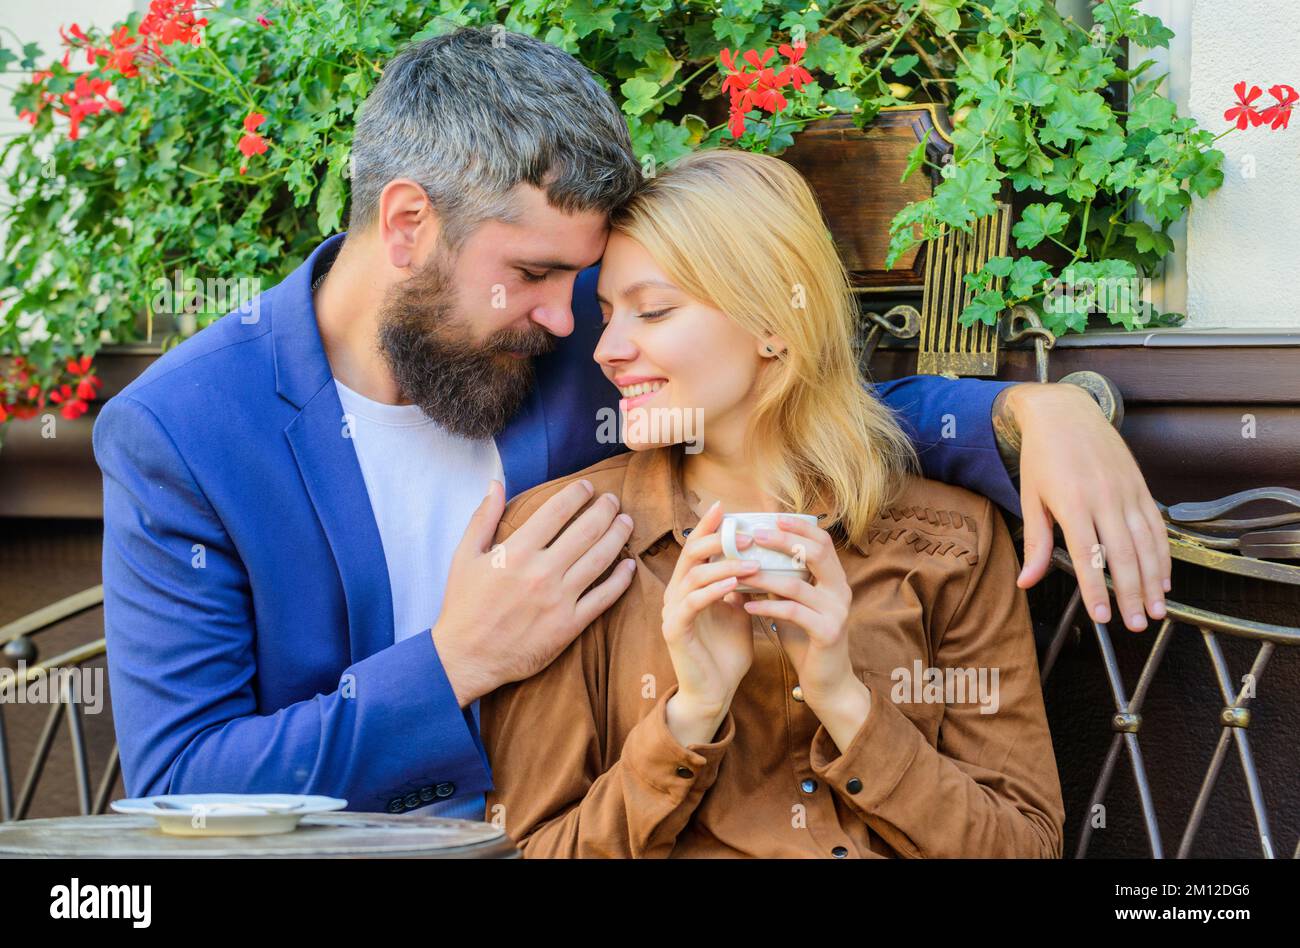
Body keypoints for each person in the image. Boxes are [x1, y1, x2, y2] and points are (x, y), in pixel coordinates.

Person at [93, 27, 1165, 816]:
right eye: (534, 274)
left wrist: (1028, 412)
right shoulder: (185, 431)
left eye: (600, 291)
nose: (573, 324)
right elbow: (183, 783)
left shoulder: (572, 350)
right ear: (408, 223)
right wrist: (454, 662)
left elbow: (788, 401)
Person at [480, 148, 1064, 857]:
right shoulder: (564, 542)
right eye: (607, 314)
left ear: (775, 324)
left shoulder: (951, 538)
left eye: (654, 311)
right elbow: (525, 850)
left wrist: (845, 700)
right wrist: (688, 719)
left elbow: (1025, 847)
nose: (607, 349)